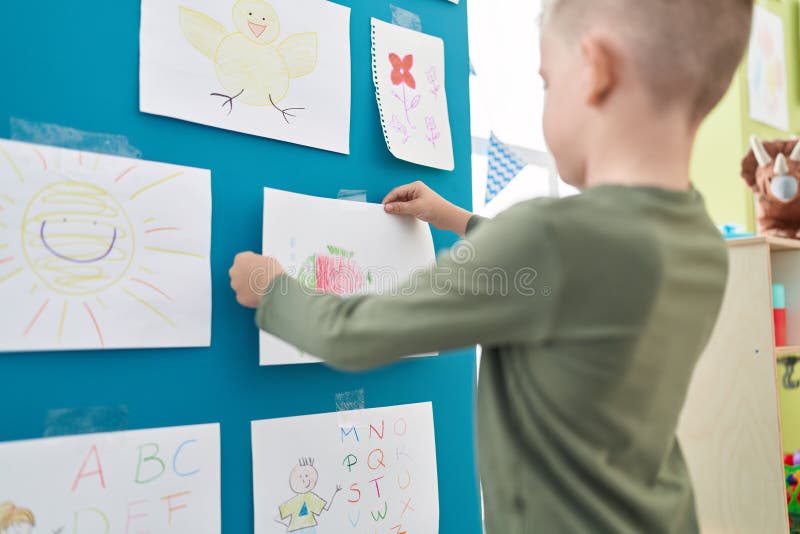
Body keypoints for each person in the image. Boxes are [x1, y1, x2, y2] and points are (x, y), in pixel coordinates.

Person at [229, 0, 753, 530]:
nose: (545, 98)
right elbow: (567, 281)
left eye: (547, 82)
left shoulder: (552, 240)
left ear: (596, 71)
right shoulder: (699, 242)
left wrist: (270, 288)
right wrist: (454, 218)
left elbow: (353, 335)